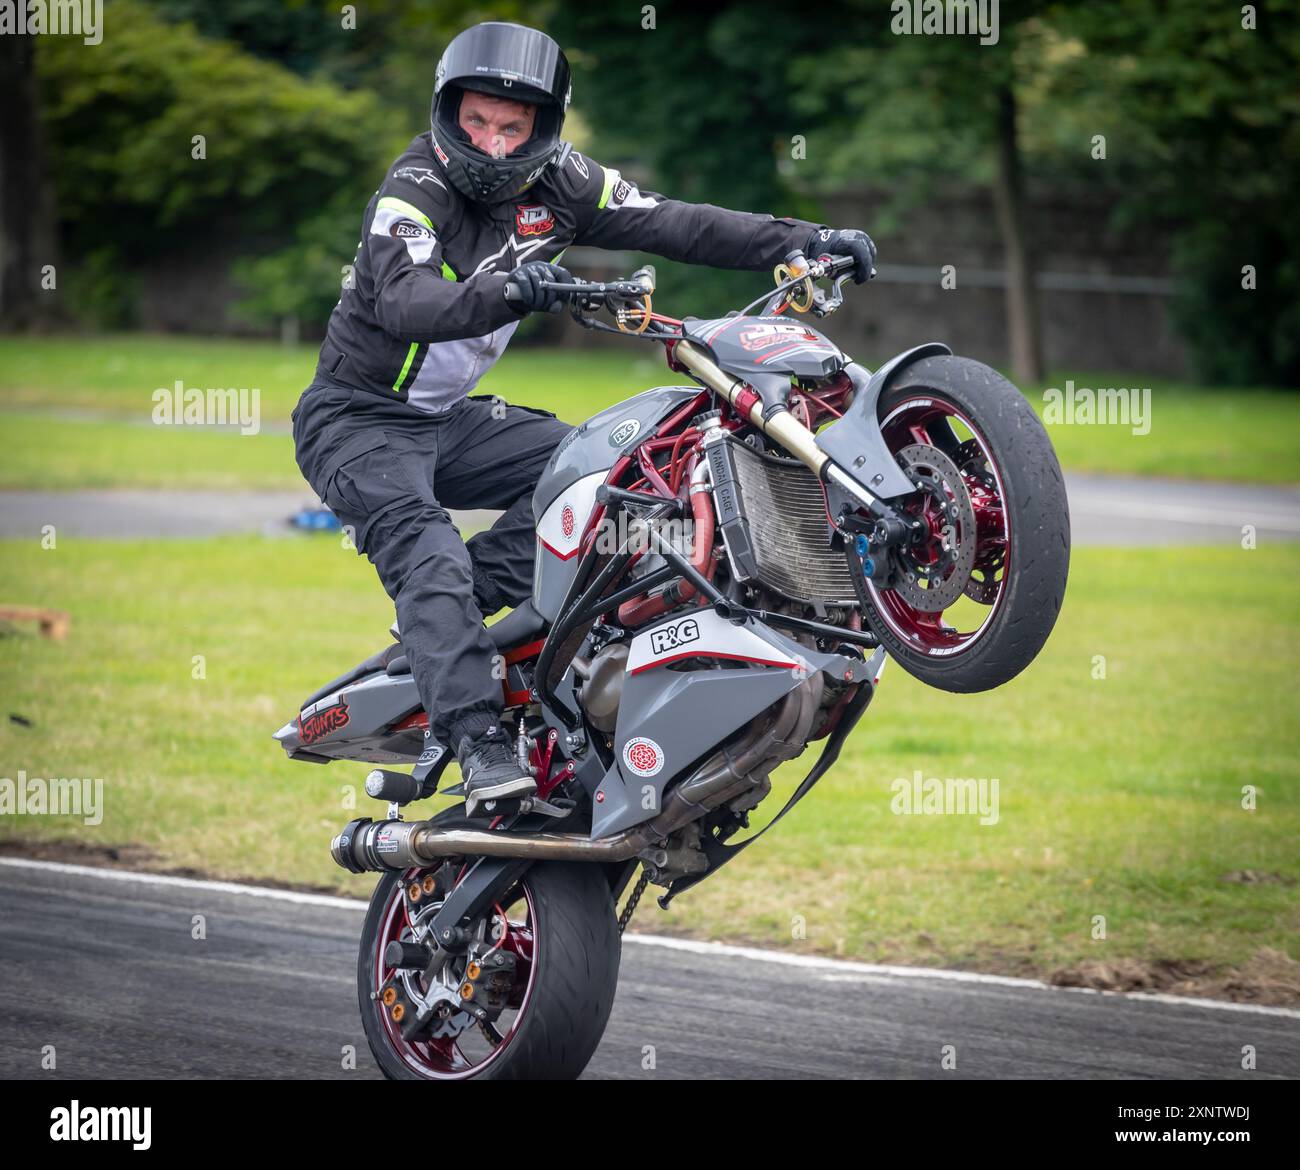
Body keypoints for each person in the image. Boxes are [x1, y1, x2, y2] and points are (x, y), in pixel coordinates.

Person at [290, 20, 878, 816]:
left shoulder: (566, 182)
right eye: (477, 123)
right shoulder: (412, 190)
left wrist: (807, 241)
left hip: (451, 420)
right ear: (447, 113)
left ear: (545, 127)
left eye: (513, 126)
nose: (494, 145)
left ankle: (462, 643)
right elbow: (406, 301)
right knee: (425, 554)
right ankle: (476, 739)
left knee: (599, 471)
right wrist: (509, 291)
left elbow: (680, 223)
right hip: (354, 420)